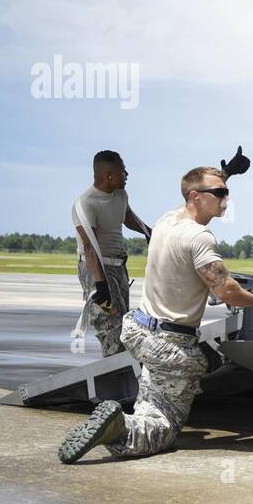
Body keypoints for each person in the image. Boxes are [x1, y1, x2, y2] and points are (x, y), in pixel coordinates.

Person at [59, 165, 253, 464]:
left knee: (152, 403)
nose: (226, 198)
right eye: (220, 193)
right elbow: (226, 291)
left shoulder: (166, 220)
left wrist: (225, 173)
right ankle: (120, 430)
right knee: (164, 427)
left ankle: (130, 418)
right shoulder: (200, 238)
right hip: (171, 345)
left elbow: (194, 185)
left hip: (141, 331)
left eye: (226, 191)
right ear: (196, 197)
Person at [71, 150, 150, 356]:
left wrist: (148, 231)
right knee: (111, 327)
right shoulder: (86, 204)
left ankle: (121, 371)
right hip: (96, 269)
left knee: (123, 324)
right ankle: (113, 378)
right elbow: (89, 247)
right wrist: (100, 286)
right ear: (109, 175)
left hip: (118, 267)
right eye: (122, 171)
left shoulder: (120, 194)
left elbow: (127, 216)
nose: (127, 174)